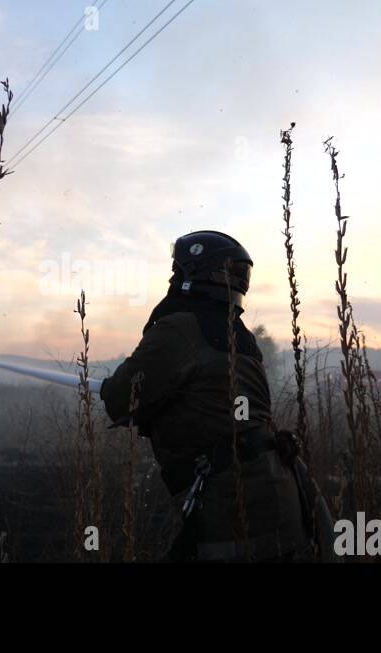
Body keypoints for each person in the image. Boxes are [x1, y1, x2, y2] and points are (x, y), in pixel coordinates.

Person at [99, 230, 312, 562]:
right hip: (278, 498)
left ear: (190, 275)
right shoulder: (241, 338)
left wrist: (109, 388)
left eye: (177, 271)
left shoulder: (179, 329)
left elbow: (121, 403)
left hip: (232, 510)